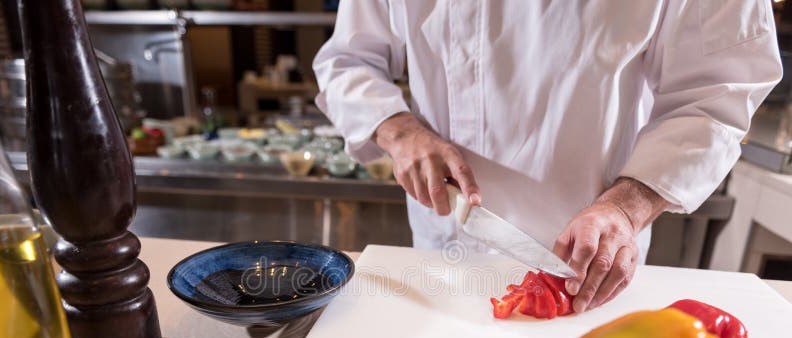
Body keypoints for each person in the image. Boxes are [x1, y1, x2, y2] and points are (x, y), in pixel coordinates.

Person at [313, 1, 781, 313]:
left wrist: (626, 206)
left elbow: (720, 91)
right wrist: (401, 131)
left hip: (590, 269)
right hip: (443, 252)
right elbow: (348, 62)